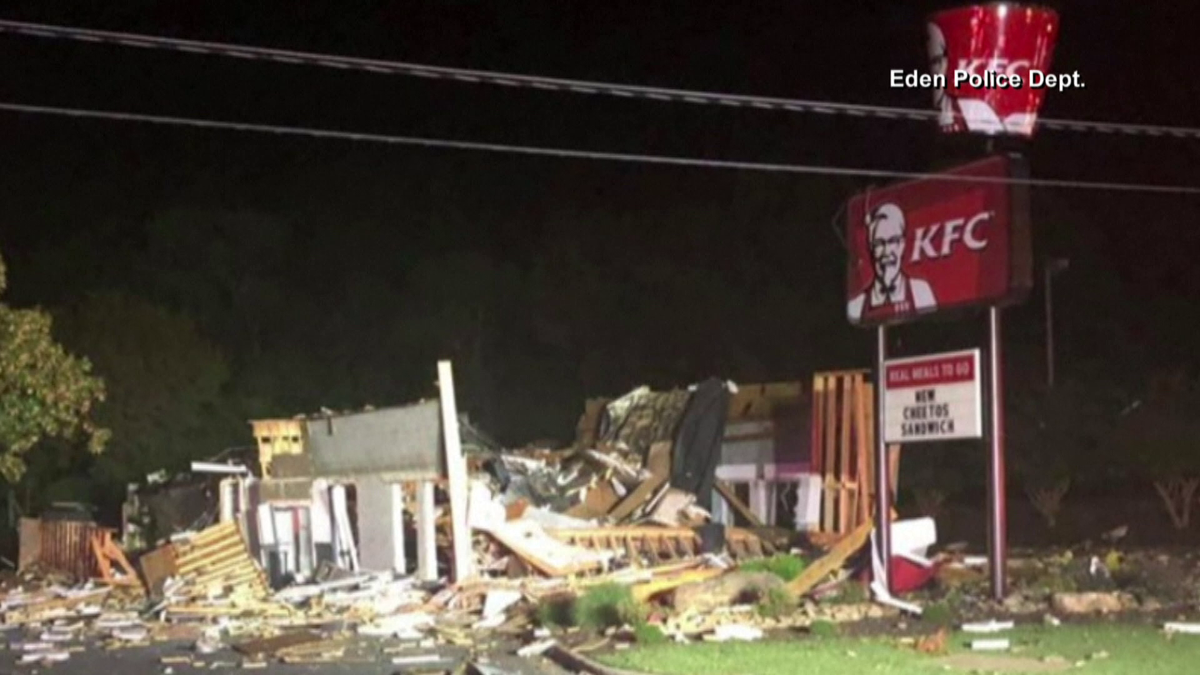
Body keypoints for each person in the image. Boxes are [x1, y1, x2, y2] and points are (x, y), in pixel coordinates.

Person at [847, 202, 937, 322]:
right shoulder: (856, 307)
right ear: (870, 249)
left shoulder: (921, 292)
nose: (886, 251)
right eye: (879, 243)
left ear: (902, 245)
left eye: (892, 241)